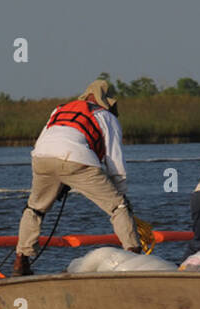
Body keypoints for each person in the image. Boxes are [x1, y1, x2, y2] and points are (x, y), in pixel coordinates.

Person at [13, 79, 141, 276]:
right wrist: (121, 193)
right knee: (118, 207)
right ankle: (134, 256)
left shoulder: (59, 109)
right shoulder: (106, 116)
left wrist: (59, 180)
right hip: (76, 158)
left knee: (35, 209)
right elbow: (115, 161)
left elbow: (46, 140)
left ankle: (21, 261)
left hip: (41, 157)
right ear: (107, 101)